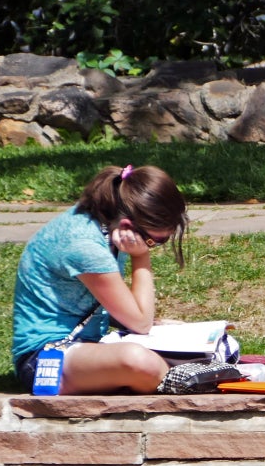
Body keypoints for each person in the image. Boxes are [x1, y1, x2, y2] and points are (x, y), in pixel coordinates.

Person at [11, 164, 188, 394]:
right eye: (156, 241)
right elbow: (140, 323)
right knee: (139, 361)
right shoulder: (83, 244)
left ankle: (177, 373)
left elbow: (127, 314)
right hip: (45, 358)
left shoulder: (103, 223)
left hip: (88, 346)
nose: (153, 247)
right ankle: (182, 378)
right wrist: (140, 256)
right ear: (127, 226)